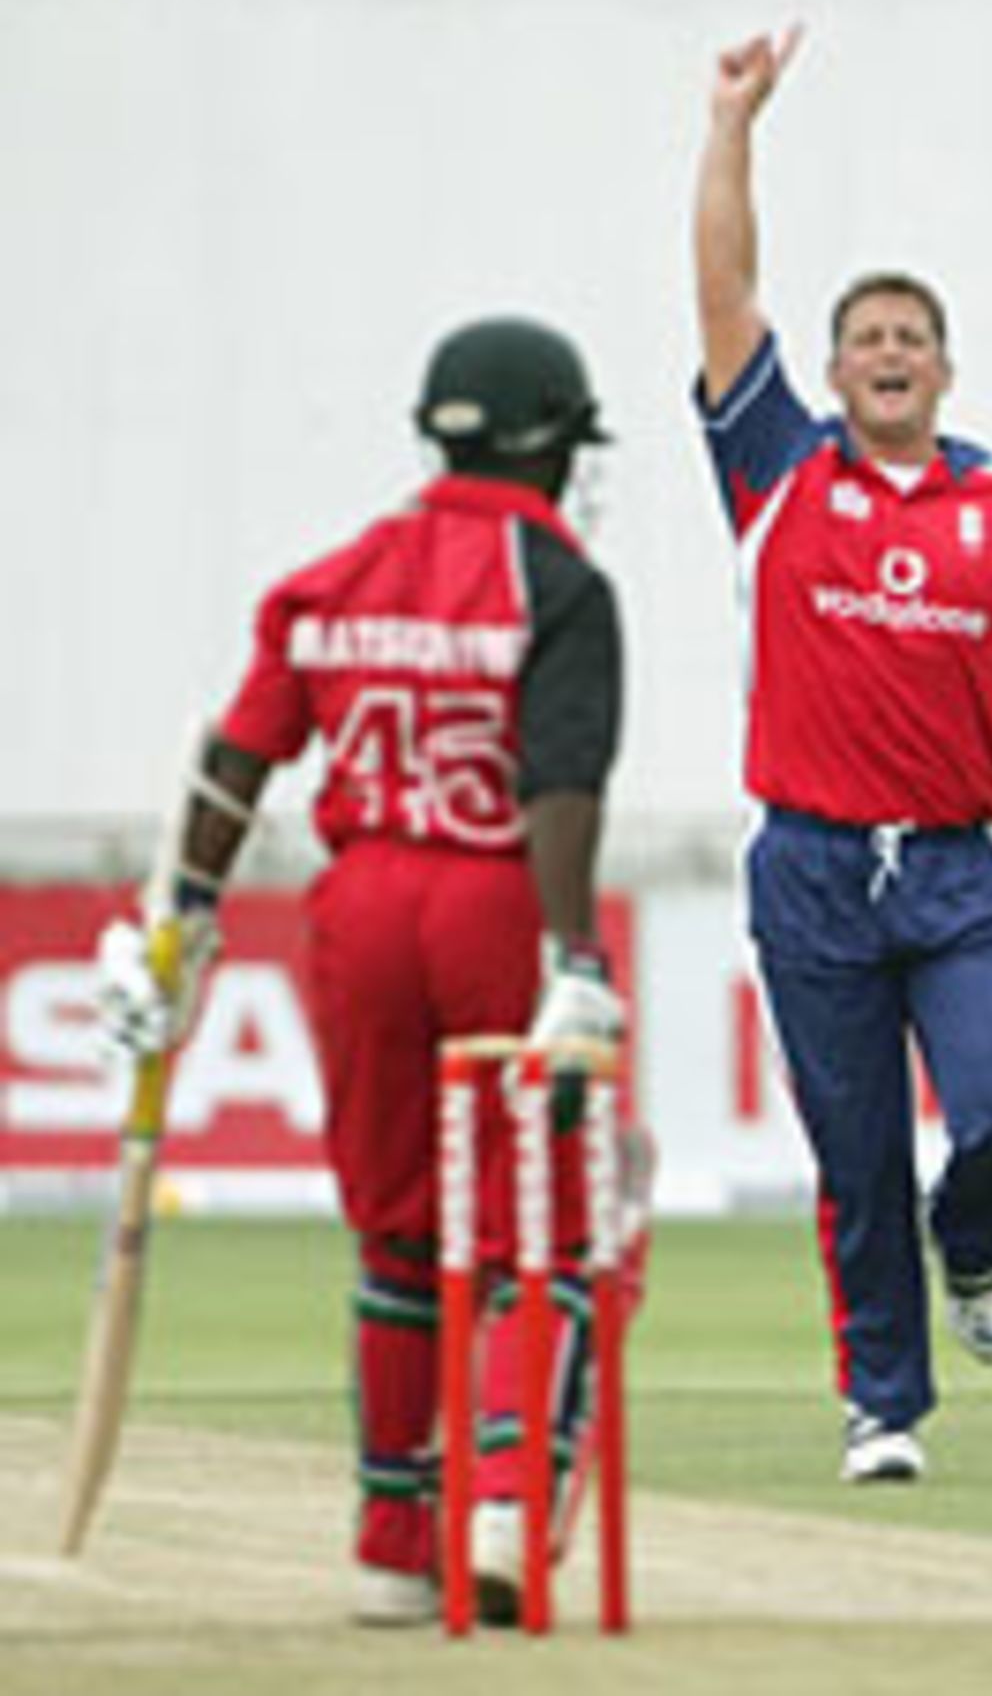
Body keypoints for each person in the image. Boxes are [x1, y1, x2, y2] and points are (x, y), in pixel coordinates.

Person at [96, 315, 646, 1624]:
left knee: (400, 1230)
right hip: (493, 900)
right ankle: (504, 1507)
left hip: (353, 917)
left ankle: (392, 1542)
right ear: (551, 444)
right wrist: (573, 951)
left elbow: (235, 760)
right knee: (547, 1232)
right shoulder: (560, 586)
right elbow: (560, 784)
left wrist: (178, 918)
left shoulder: (333, 577)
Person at [693, 28, 992, 1483]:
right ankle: (883, 1406)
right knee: (856, 1154)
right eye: (866, 337)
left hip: (953, 863)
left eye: (912, 336)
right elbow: (723, 284)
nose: (889, 353)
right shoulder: (778, 474)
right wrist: (732, 123)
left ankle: (980, 1247)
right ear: (828, 370)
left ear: (944, 368)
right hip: (812, 861)